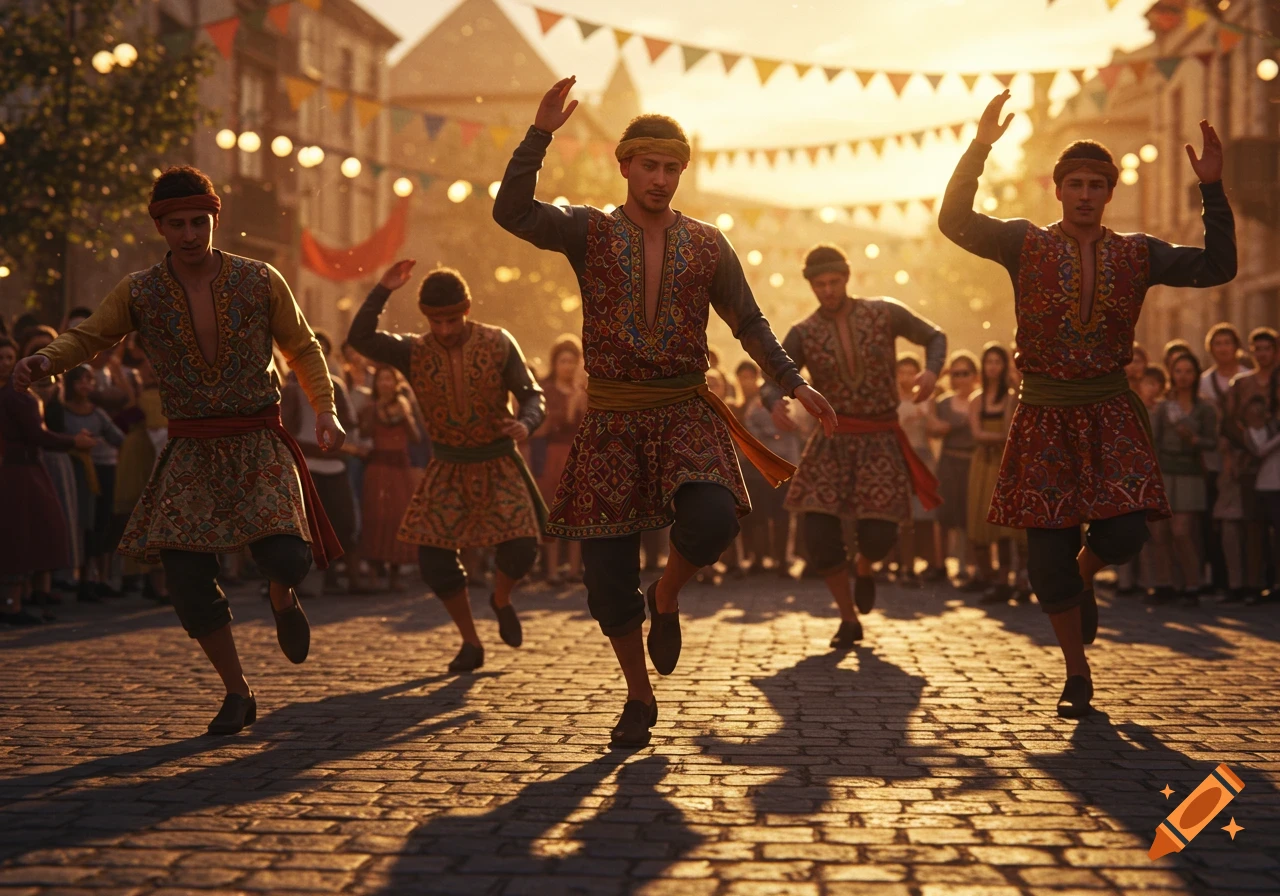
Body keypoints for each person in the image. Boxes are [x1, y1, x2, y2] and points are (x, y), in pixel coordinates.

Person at [493, 77, 836, 748]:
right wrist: (539, 135)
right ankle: (638, 696)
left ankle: (667, 595)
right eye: (649, 165)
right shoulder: (589, 230)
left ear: (682, 172)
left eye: (672, 168)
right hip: (612, 418)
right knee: (605, 579)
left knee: (713, 521)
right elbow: (511, 211)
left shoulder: (708, 244)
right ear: (624, 166)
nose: (660, 179)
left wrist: (794, 382)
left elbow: (749, 322)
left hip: (683, 409)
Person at [13, 166, 345, 735]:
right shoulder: (140, 291)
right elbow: (90, 337)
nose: (189, 234)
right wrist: (47, 360)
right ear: (160, 228)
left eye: (198, 222)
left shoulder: (259, 279)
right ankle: (237, 691)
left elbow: (303, 347)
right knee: (187, 578)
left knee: (289, 558)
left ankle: (282, 598)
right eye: (177, 225)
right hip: (192, 445)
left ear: (215, 219)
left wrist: (326, 409)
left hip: (257, 438)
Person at [938, 91, 1236, 717]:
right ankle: (1077, 673)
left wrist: (1211, 188)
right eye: (1073, 183)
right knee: (1046, 563)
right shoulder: (1023, 243)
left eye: (1095, 185)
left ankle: (1086, 571)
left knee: (1125, 533)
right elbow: (954, 221)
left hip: (1109, 412)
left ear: (1109, 193)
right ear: (1057, 190)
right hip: (1043, 415)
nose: (1083, 194)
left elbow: (1217, 266)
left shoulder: (1138, 252)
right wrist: (980, 147)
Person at [347, 261, 546, 672]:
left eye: (452, 320)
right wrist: (383, 289)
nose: (444, 329)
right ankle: (470, 641)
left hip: (497, 460)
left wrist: (525, 423)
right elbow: (360, 337)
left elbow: (532, 394)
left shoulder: (498, 342)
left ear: (467, 309)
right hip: (448, 466)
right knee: (433, 560)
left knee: (523, 549)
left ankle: (501, 599)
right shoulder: (413, 351)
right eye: (435, 321)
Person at [761, 243, 945, 647]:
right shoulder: (803, 332)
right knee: (818, 535)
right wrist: (774, 401)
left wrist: (932, 371)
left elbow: (935, 336)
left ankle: (864, 565)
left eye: (834, 281)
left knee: (879, 536)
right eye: (820, 284)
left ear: (847, 278)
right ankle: (847, 618)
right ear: (811, 285)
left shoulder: (884, 312)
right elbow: (770, 375)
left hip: (880, 439)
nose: (828, 290)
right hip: (832, 440)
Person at [1150, 351, 1217, 604]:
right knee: (1160, 533)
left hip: (1190, 472)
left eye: (1188, 371)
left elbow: (1212, 441)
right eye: (1178, 371)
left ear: (1196, 374)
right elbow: (1154, 440)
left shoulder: (1204, 408)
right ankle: (1165, 584)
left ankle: (1192, 584)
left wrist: (1196, 439)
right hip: (1165, 473)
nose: (1183, 376)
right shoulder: (1163, 407)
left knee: (1182, 531)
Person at [60, 364, 126, 602]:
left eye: (89, 380)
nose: (85, 385)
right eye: (80, 380)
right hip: (75, 471)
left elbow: (118, 437)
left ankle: (97, 578)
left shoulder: (97, 413)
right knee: (82, 523)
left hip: (103, 469)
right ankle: (78, 578)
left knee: (101, 522)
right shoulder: (62, 411)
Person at [356, 364, 421, 592]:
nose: (385, 383)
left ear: (396, 384)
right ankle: (374, 577)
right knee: (376, 518)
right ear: (376, 384)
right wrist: (374, 412)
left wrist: (406, 414)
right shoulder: (370, 407)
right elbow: (363, 433)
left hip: (400, 468)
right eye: (381, 379)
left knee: (397, 519)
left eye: (389, 379)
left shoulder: (404, 406)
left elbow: (416, 438)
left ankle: (394, 576)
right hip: (378, 468)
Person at [966, 344, 1019, 603]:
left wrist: (998, 438)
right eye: (989, 361)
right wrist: (998, 438)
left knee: (1004, 528)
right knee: (979, 521)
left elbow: (1010, 431)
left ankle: (1005, 580)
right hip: (982, 464)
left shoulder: (1010, 398)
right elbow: (977, 434)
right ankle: (988, 577)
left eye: (998, 361)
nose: (993, 367)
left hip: (1004, 464)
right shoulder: (977, 399)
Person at [736, 360, 800, 577]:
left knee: (782, 516)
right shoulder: (757, 403)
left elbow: (795, 428)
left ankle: (782, 560)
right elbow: (750, 430)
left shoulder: (792, 400)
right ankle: (759, 559)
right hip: (759, 468)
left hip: (783, 465)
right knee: (759, 516)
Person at [536, 336, 587, 585]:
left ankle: (574, 569)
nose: (567, 366)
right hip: (552, 456)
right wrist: (568, 406)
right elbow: (547, 426)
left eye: (572, 361)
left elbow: (585, 424)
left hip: (577, 455)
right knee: (552, 513)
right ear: (555, 363)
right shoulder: (545, 390)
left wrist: (580, 397)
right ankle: (552, 570)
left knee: (577, 513)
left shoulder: (583, 391)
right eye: (563, 361)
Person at [1199, 323, 1243, 595]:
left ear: (1237, 346)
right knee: (1215, 520)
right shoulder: (1204, 382)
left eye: (1228, 342)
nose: (1223, 348)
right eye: (1218, 343)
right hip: (1214, 459)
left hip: (1248, 458)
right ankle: (1220, 578)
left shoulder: (1248, 376)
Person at [894, 355, 944, 585]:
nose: (906, 377)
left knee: (925, 513)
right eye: (901, 372)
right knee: (904, 515)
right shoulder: (892, 399)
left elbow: (934, 428)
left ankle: (932, 562)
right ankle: (906, 566)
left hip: (923, 457)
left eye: (910, 372)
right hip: (900, 458)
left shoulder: (927, 399)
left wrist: (932, 421)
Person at [935, 352, 978, 585]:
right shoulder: (943, 402)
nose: (960, 378)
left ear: (974, 375)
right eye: (956, 374)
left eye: (965, 373)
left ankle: (969, 565)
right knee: (945, 514)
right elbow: (933, 427)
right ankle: (941, 564)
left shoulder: (981, 400)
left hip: (973, 462)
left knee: (969, 515)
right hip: (949, 461)